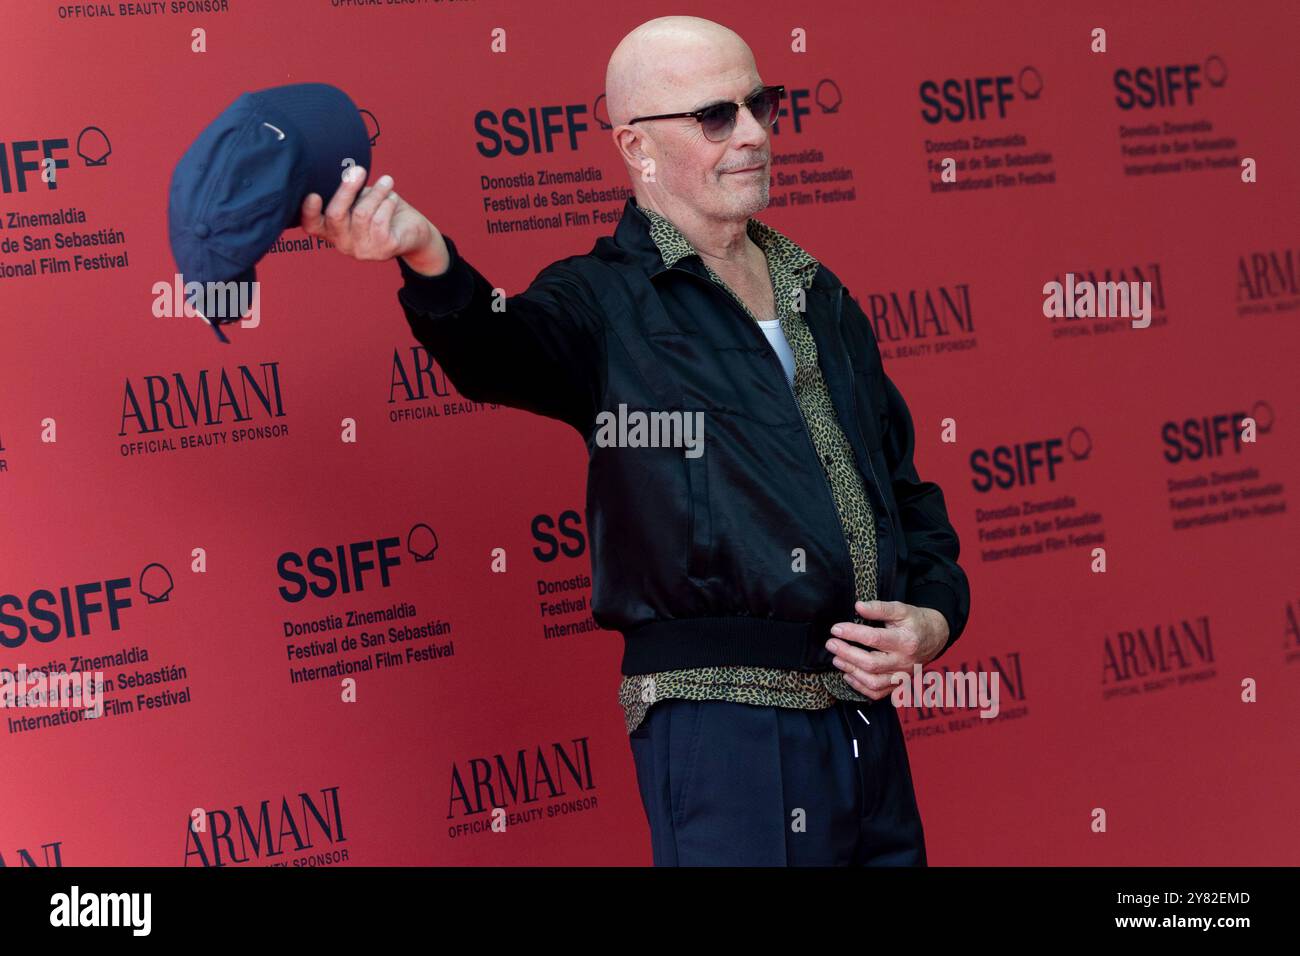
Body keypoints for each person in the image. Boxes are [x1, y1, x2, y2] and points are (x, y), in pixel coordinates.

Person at [302, 15, 971, 866]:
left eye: (760, 104)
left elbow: (907, 496)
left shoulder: (820, 295)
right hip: (726, 731)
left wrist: (934, 619)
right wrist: (429, 258)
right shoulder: (603, 302)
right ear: (636, 145)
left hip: (866, 725)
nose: (756, 134)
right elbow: (496, 349)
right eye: (716, 116)